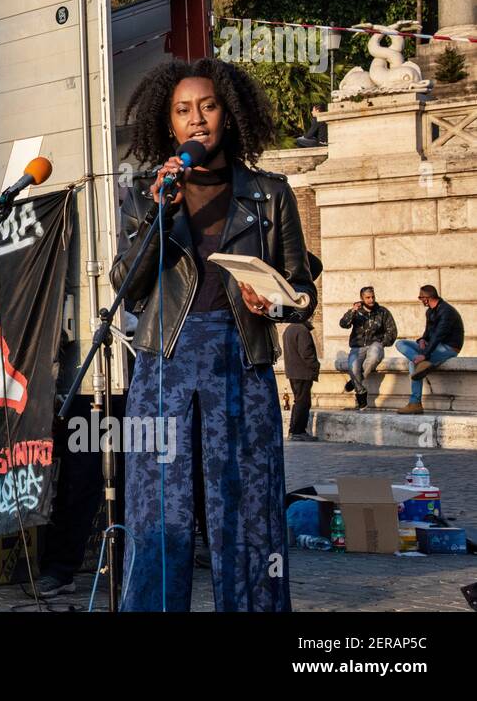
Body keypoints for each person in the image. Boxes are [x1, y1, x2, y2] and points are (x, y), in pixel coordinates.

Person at [112, 57, 316, 612]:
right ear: (168, 123)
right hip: (163, 366)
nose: (196, 119)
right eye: (183, 110)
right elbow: (125, 285)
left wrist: (273, 304)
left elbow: (302, 291)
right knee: (159, 514)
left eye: (208, 106)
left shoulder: (270, 195)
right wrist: (159, 215)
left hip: (240, 362)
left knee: (247, 512)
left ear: (229, 114)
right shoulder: (149, 193)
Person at [394, 285, 465, 414]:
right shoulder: (430, 312)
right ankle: (420, 363)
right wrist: (422, 340)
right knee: (400, 343)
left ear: (427, 298)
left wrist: (425, 355)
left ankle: (415, 403)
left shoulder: (446, 311)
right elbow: (428, 334)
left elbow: (438, 336)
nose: (420, 300)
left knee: (412, 364)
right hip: (433, 346)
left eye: (420, 297)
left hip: (448, 348)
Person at [339, 287, 397, 410]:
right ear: (362, 298)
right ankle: (360, 392)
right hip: (357, 347)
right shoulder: (357, 311)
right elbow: (343, 324)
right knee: (353, 366)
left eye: (373, 297)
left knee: (373, 357)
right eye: (368, 298)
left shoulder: (382, 312)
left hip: (375, 344)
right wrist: (352, 311)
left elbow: (392, 332)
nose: (371, 300)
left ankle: (354, 382)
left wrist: (382, 342)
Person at [282, 319, 319, 440]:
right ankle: (298, 431)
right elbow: (307, 353)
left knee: (299, 401)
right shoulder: (302, 330)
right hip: (302, 372)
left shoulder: (289, 329)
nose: (311, 320)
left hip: (293, 371)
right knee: (303, 402)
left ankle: (294, 431)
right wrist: (315, 366)